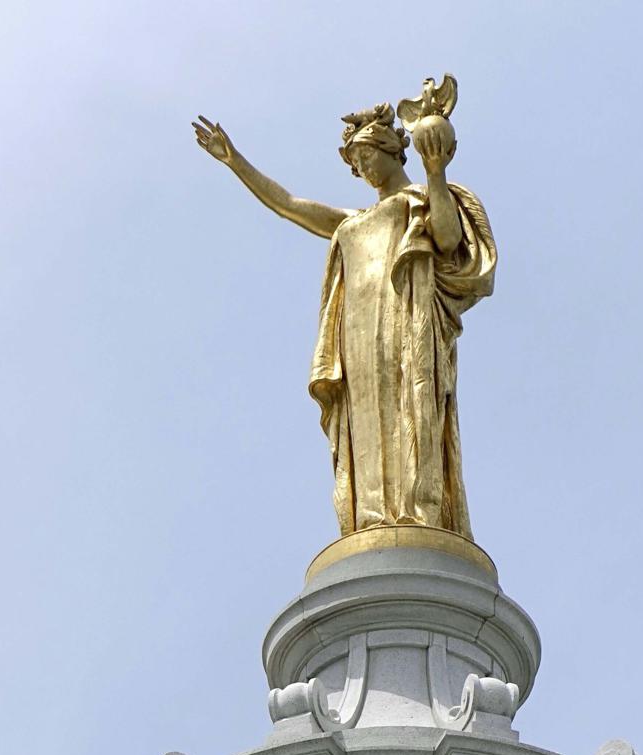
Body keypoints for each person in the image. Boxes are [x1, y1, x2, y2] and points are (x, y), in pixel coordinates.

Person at [193, 79, 495, 545]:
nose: (362, 168)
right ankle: (370, 516)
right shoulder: (352, 223)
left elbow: (449, 240)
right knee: (367, 424)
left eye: (366, 156)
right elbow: (291, 206)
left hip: (405, 322)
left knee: (410, 408)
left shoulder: (416, 203)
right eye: (355, 164)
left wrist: (435, 172)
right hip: (356, 338)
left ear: (394, 150)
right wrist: (236, 162)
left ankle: (419, 511)